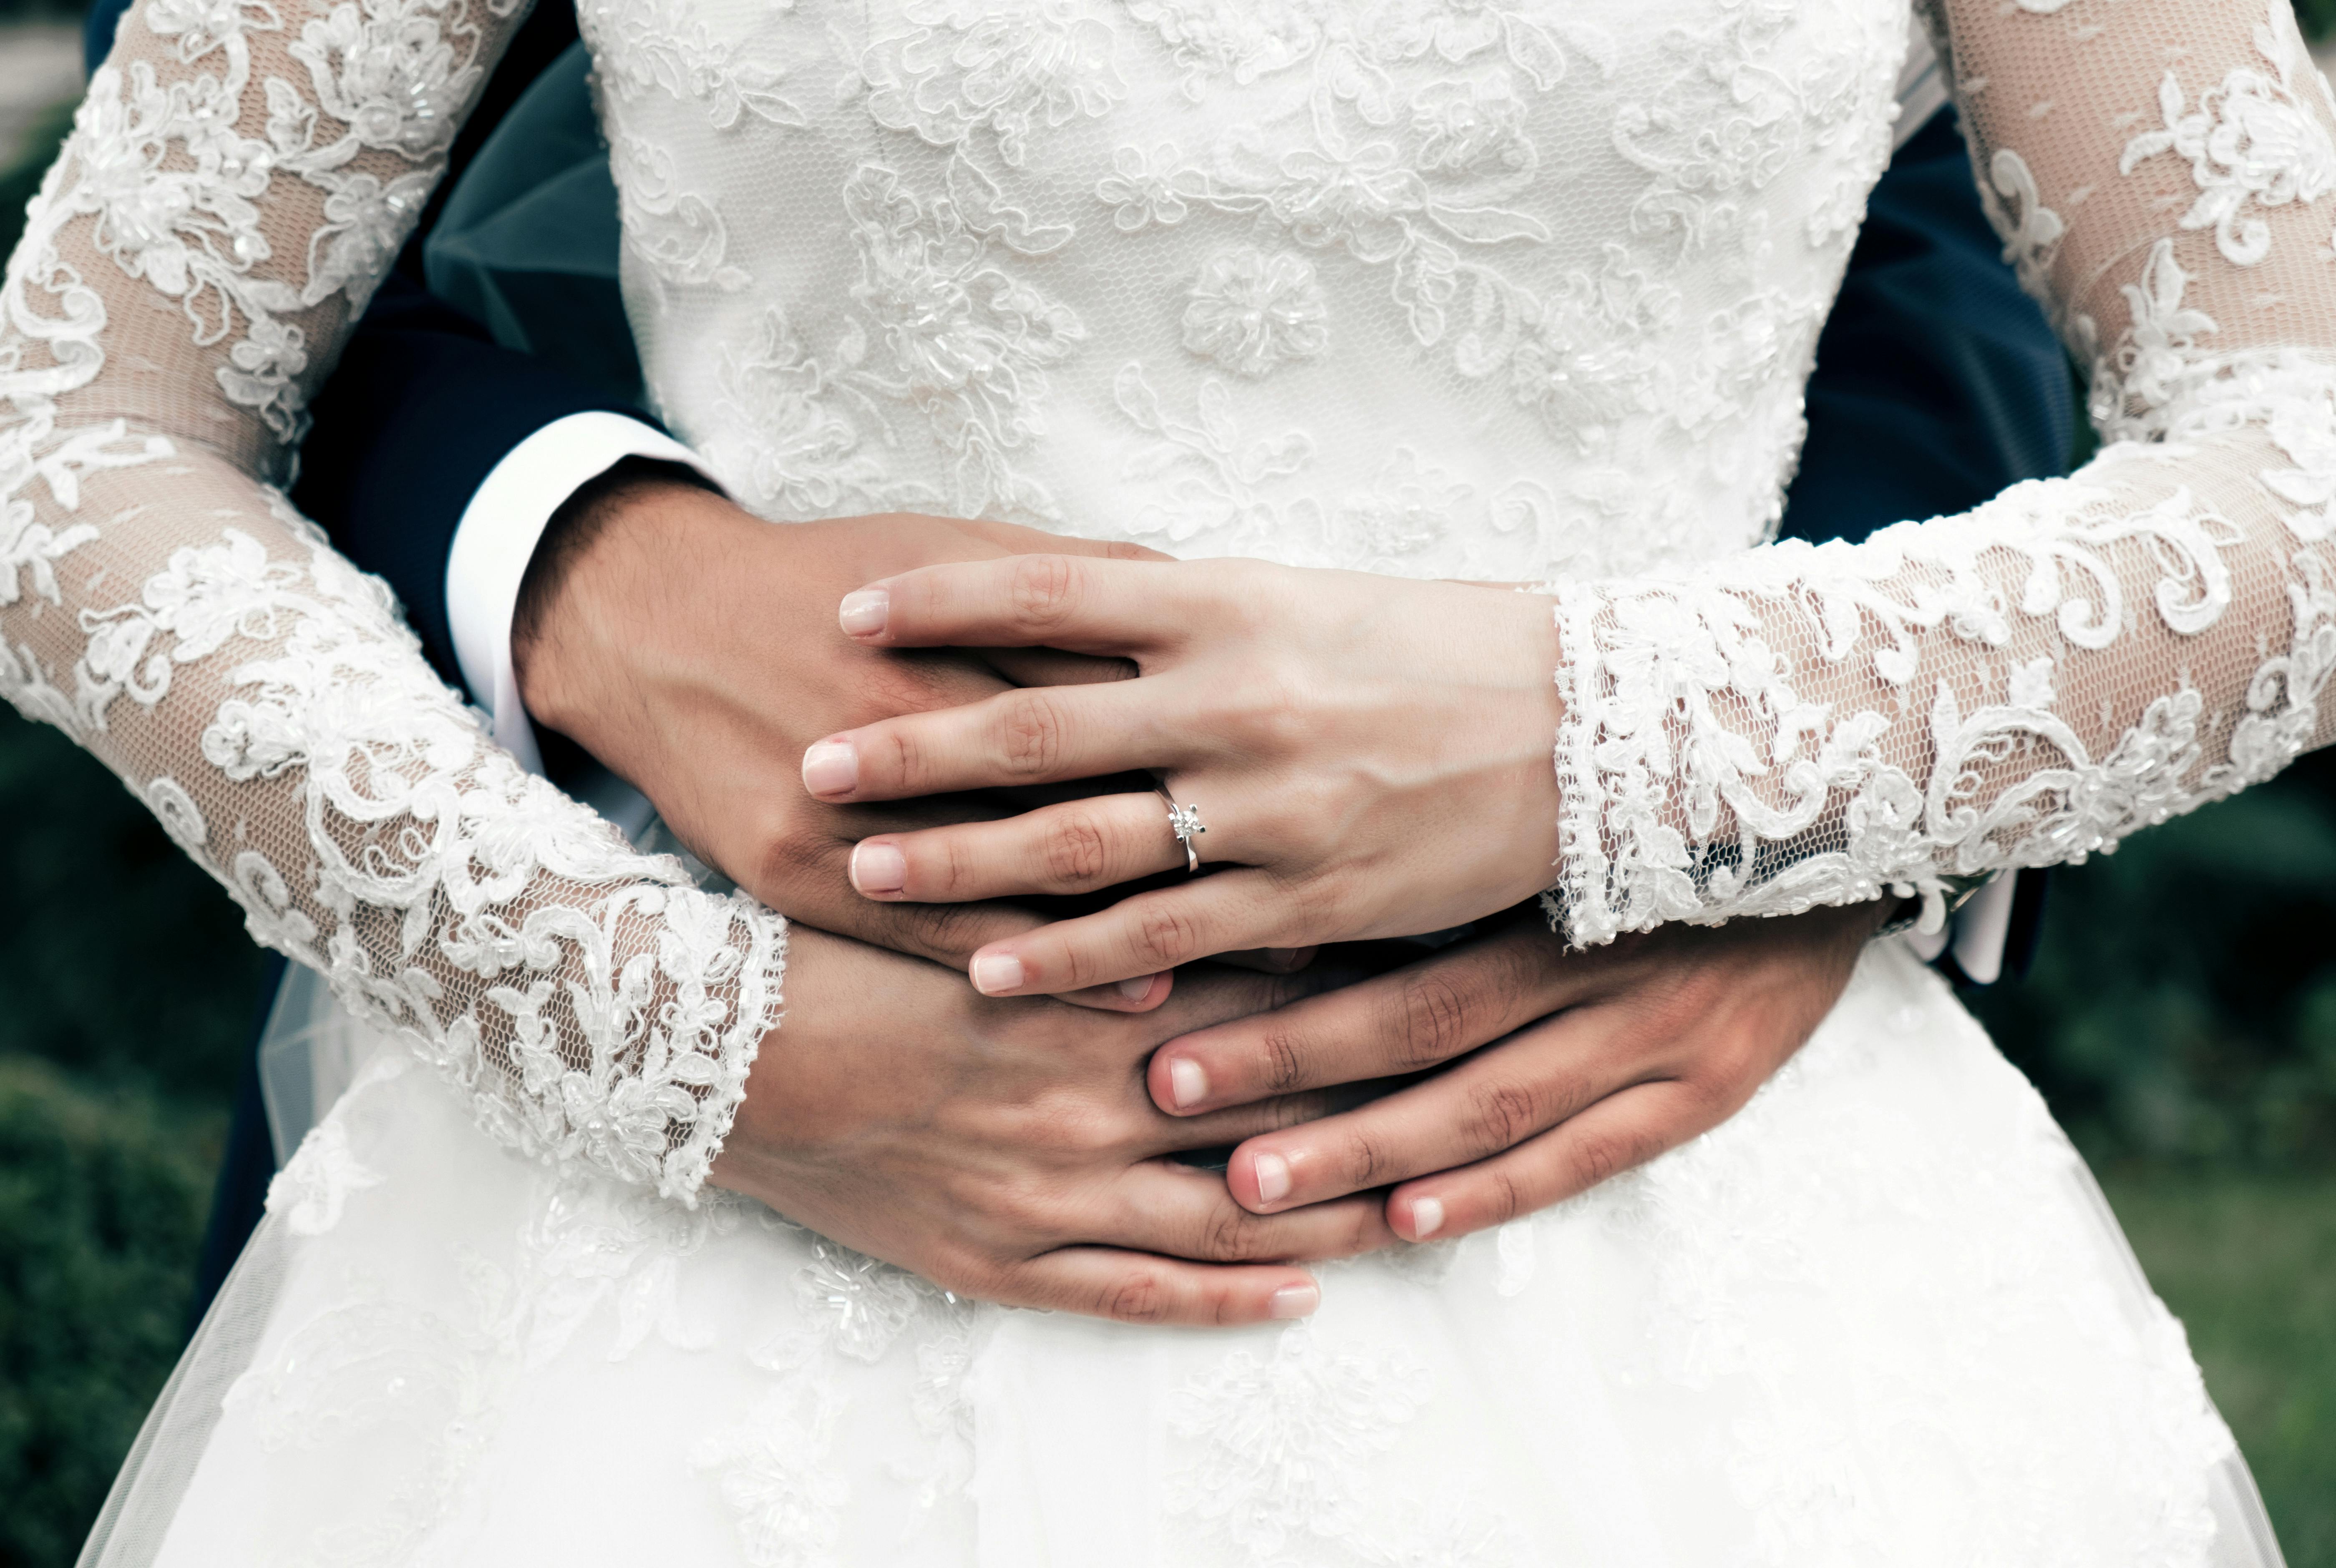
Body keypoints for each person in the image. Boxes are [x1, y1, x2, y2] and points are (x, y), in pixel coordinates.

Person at [4, 0, 2305, 1559]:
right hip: (737, 1235)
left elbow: (2299, 459)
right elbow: (80, 426)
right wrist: (663, 1032)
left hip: (1703, 1269)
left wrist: (1638, 749)